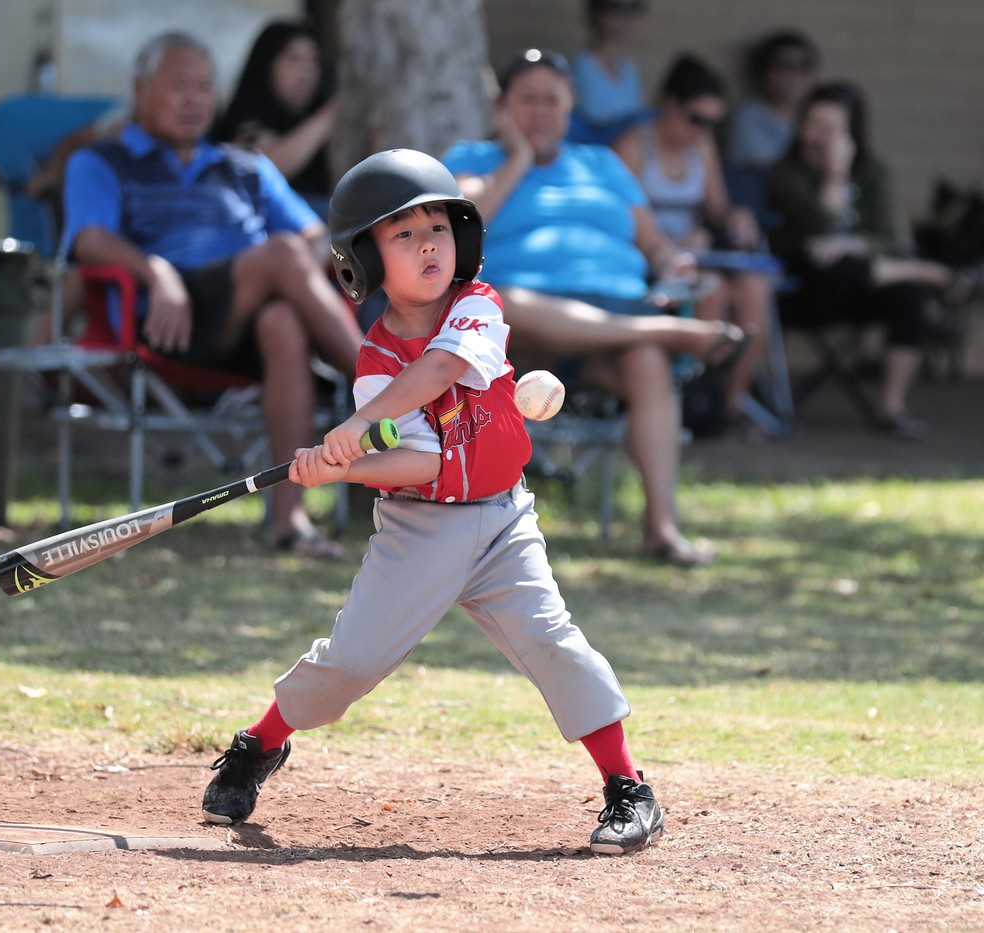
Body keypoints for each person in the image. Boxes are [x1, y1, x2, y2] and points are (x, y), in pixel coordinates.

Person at [200, 148, 666, 857]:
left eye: (438, 229)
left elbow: (444, 368)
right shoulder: (376, 362)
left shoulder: (477, 306)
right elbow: (418, 462)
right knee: (350, 663)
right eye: (403, 233)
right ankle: (259, 743)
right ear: (363, 257)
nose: (428, 245)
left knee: (552, 641)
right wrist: (340, 471)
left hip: (504, 519)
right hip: (419, 530)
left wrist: (355, 432)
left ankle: (629, 787)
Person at [442, 48, 750, 566]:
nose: (541, 112)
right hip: (518, 327)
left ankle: (661, 528)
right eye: (527, 101)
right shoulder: (472, 160)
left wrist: (674, 264)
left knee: (645, 364)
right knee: (501, 302)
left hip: (615, 306)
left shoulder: (602, 164)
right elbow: (459, 229)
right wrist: (517, 157)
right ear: (501, 108)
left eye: (552, 101)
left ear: (570, 108)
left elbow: (654, 245)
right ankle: (662, 332)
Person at [62, 31, 364, 557]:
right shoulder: (102, 161)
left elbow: (317, 238)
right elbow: (90, 239)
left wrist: (291, 274)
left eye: (205, 87)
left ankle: (290, 522)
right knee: (282, 255)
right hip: (165, 324)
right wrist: (159, 273)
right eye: (179, 85)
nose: (195, 99)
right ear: (140, 90)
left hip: (244, 323)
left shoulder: (245, 166)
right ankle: (388, 387)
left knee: (283, 322)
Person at [767, 81, 974, 441]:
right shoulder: (786, 173)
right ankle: (931, 273)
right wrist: (836, 174)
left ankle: (891, 407)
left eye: (829, 129)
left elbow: (888, 237)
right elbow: (819, 226)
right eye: (811, 124)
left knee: (906, 295)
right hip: (802, 291)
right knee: (823, 258)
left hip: (859, 285)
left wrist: (852, 243)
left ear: (852, 134)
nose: (816, 136)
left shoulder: (873, 171)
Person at [613, 52, 773, 434]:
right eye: (696, 119)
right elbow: (618, 218)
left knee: (754, 290)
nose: (703, 131)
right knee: (711, 292)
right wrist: (670, 242)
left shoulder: (702, 147)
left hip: (698, 255)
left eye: (713, 123)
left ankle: (730, 405)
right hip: (649, 257)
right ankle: (692, 401)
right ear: (670, 105)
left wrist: (737, 216)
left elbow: (717, 208)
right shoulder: (634, 145)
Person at [213, 19, 337, 215]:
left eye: (313, 60)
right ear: (268, 62)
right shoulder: (247, 112)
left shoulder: (315, 108)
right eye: (294, 59)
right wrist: (332, 113)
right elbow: (270, 166)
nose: (306, 71)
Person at [724, 30, 821, 215]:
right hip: (769, 209)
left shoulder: (818, 115)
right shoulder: (749, 116)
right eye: (784, 66)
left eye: (804, 66)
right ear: (766, 72)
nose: (795, 75)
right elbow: (761, 171)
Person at [568, 0, 650, 146]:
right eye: (617, 8)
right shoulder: (580, 68)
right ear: (599, 12)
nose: (628, 18)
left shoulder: (629, 69)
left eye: (635, 7)